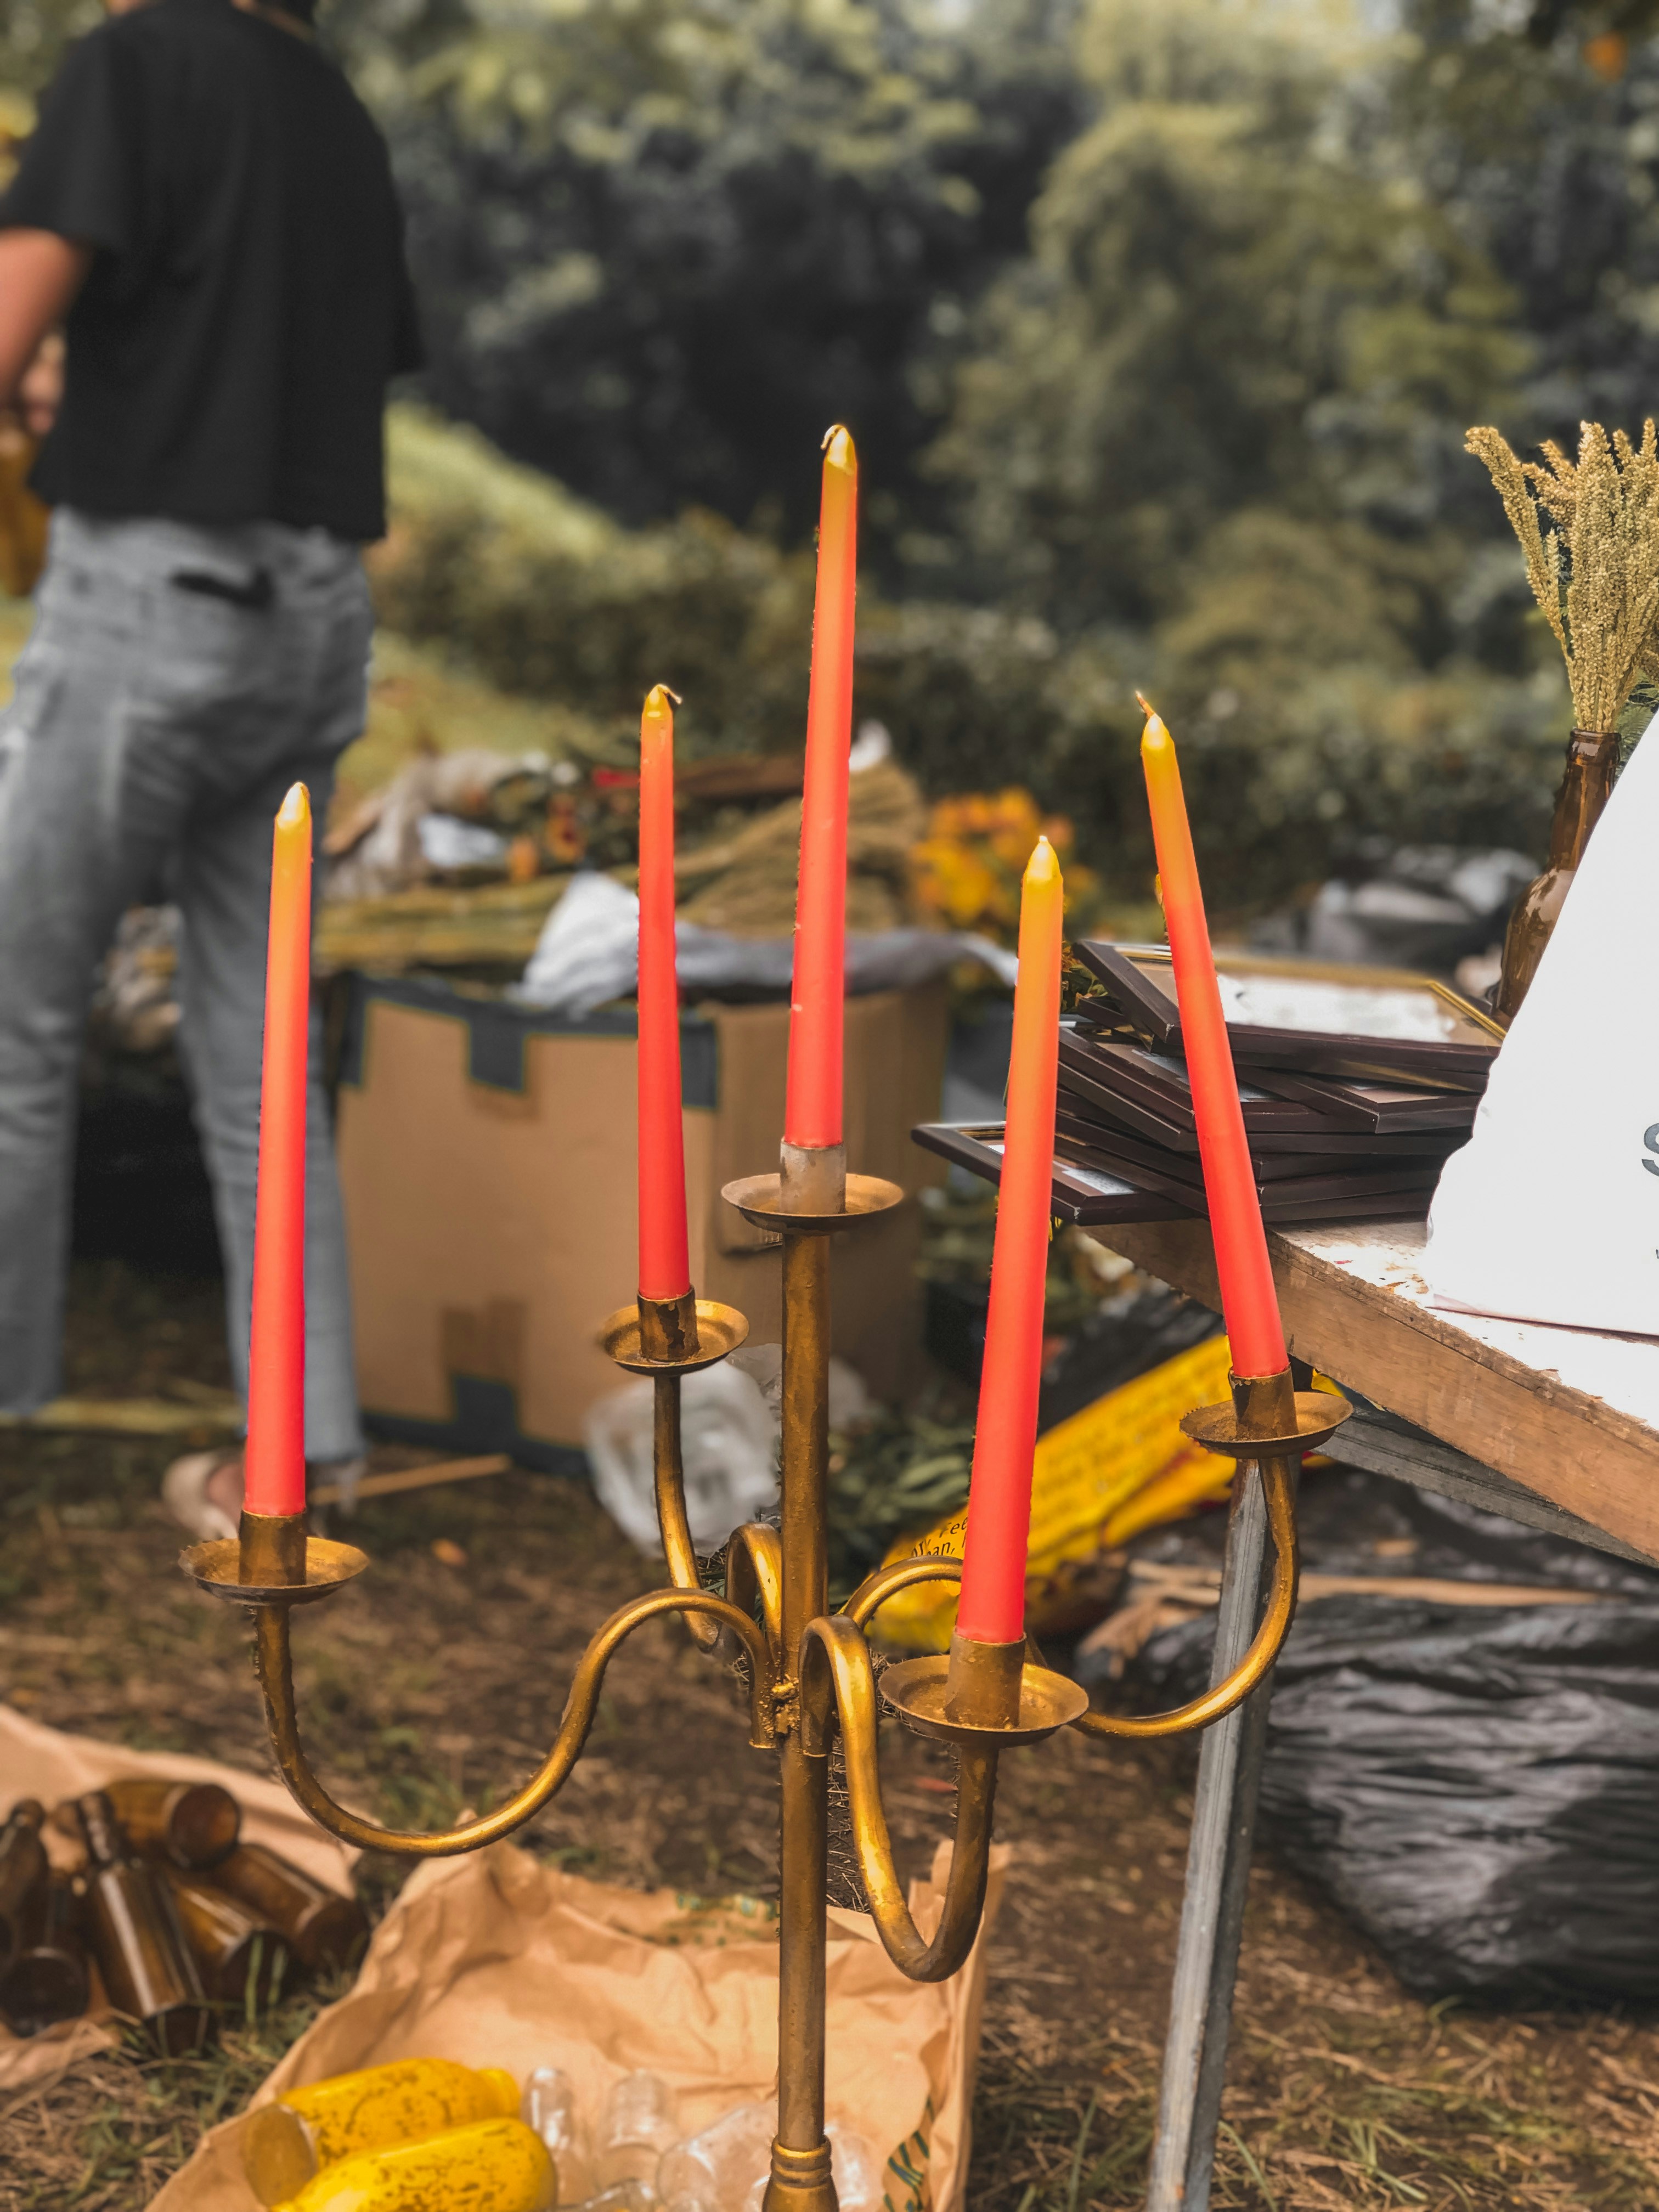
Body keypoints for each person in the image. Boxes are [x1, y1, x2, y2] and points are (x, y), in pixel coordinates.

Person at [0, 0, 422, 1530]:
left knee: (13, 1015)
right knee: (261, 1067)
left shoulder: (133, 66)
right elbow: (252, 365)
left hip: (151, 620)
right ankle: (296, 1460)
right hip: (309, 627)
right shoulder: (332, 112)